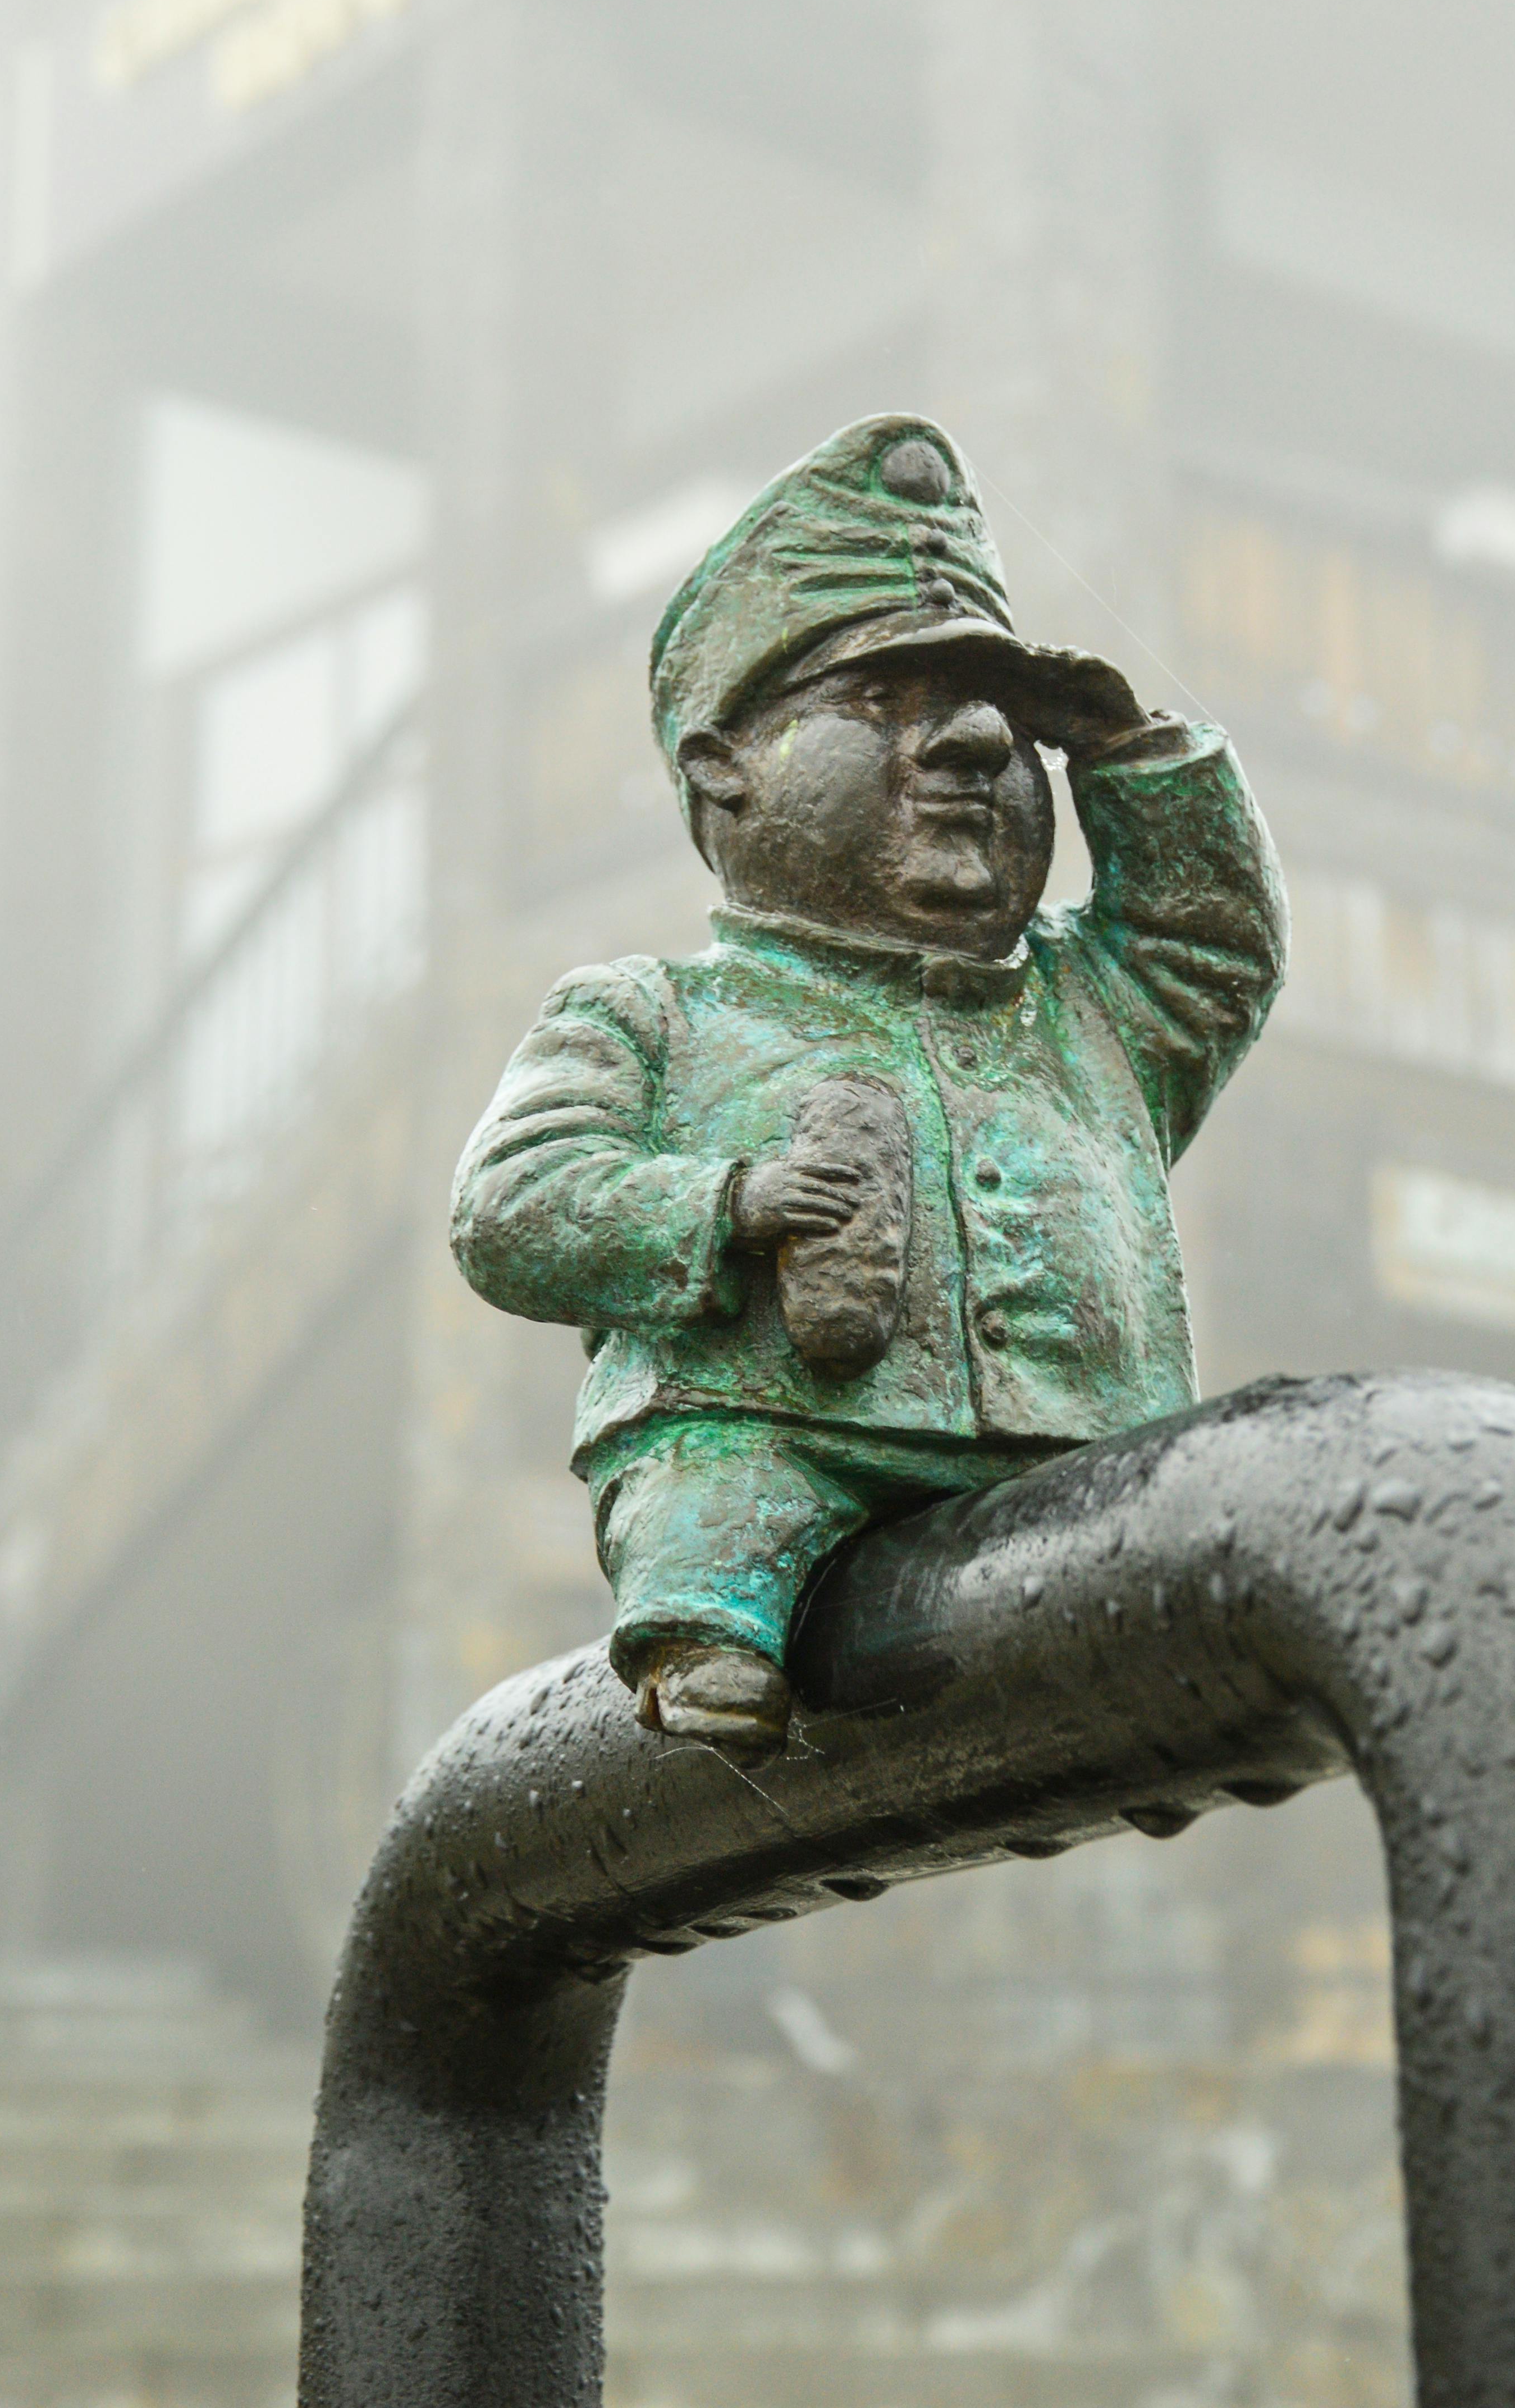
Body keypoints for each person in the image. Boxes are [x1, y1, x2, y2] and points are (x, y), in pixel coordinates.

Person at [452, 413, 1287, 1755]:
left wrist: (1132, 757)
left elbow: (1213, 941)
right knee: (715, 1502)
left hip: (1081, 1458)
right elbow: (513, 1206)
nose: (967, 742)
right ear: (722, 772)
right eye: (872, 704)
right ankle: (710, 1624)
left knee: (1186, 1570)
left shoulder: (1094, 1011)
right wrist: (731, 1206)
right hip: (767, 1434)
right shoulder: (648, 1015)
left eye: (1003, 724)